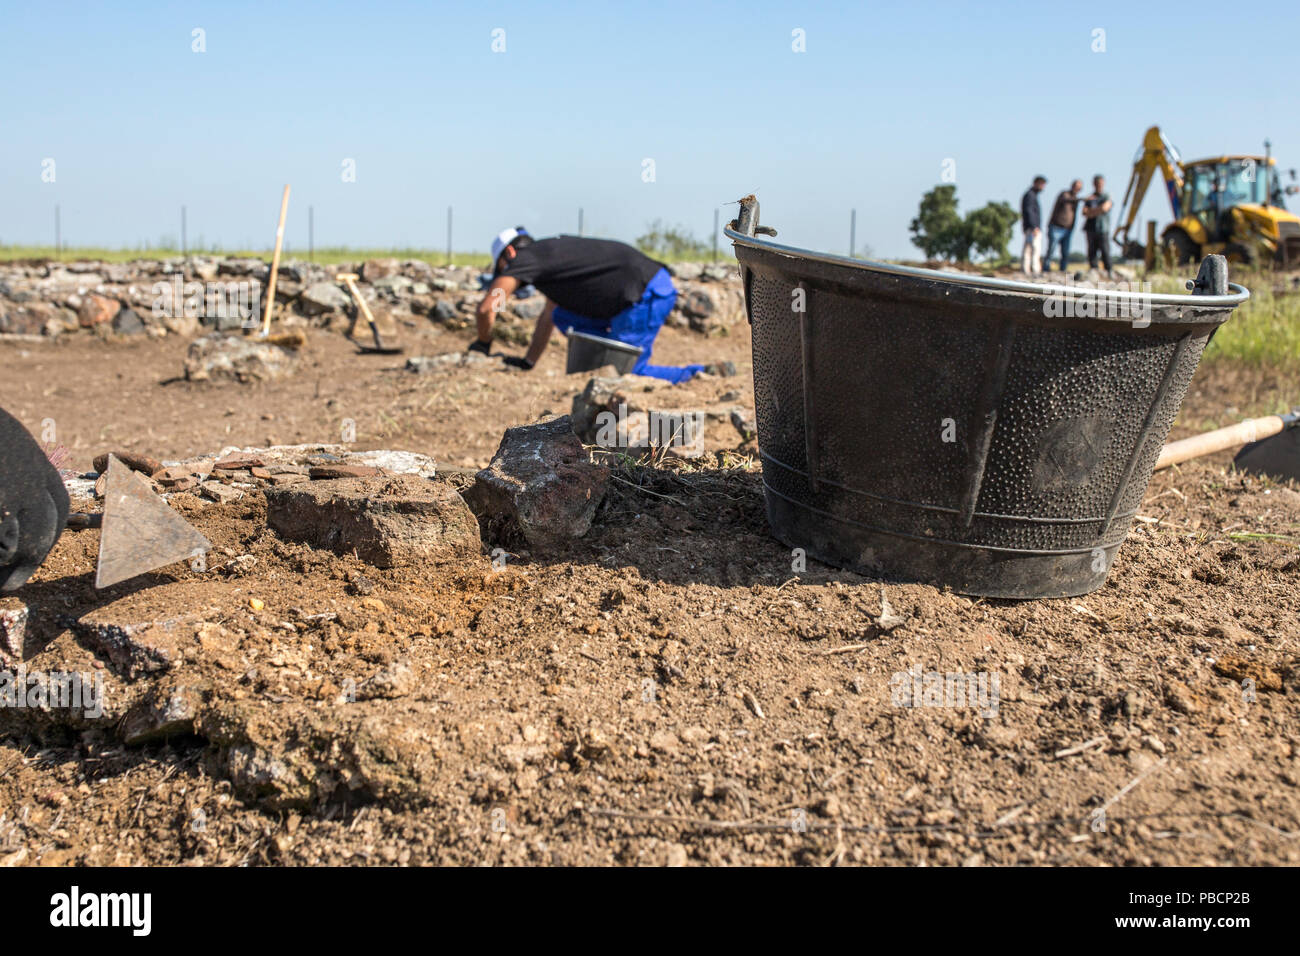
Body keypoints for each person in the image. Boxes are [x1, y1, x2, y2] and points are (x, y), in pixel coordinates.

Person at [470, 227, 706, 383]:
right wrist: (528, 361)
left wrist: (483, 343)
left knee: (626, 373)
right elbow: (549, 314)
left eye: (502, 268)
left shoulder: (524, 260)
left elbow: (488, 307)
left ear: (510, 252)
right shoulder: (547, 259)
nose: (505, 273)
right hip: (634, 293)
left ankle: (698, 375)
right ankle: (608, 357)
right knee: (562, 315)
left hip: (644, 293)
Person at [1043, 179, 1083, 272]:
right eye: (1075, 186)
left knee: (1065, 251)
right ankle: (1046, 268)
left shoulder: (1075, 200)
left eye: (1078, 188)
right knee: (1051, 249)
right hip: (1056, 227)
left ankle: (1063, 269)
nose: (1076, 189)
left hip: (1068, 229)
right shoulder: (1064, 194)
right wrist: (1082, 199)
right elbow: (1066, 199)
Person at [1081, 175, 1114, 277]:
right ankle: (1094, 271)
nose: (1098, 185)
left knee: (1105, 250)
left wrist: (1092, 212)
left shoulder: (1106, 196)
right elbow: (1084, 212)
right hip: (1091, 228)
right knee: (1092, 251)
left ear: (1103, 183)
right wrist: (1097, 211)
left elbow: (1105, 208)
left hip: (1103, 228)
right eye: (1096, 183)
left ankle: (1109, 272)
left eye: (1100, 183)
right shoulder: (1090, 198)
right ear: (1093, 184)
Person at [1020, 175, 1047, 274]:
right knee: (1034, 248)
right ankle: (1034, 269)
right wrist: (1034, 226)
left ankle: (1026, 269)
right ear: (1037, 183)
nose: (1043, 187)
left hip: (1030, 227)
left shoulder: (1031, 195)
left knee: (1028, 248)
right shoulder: (1030, 195)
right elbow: (1029, 211)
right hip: (1032, 228)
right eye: (1042, 185)